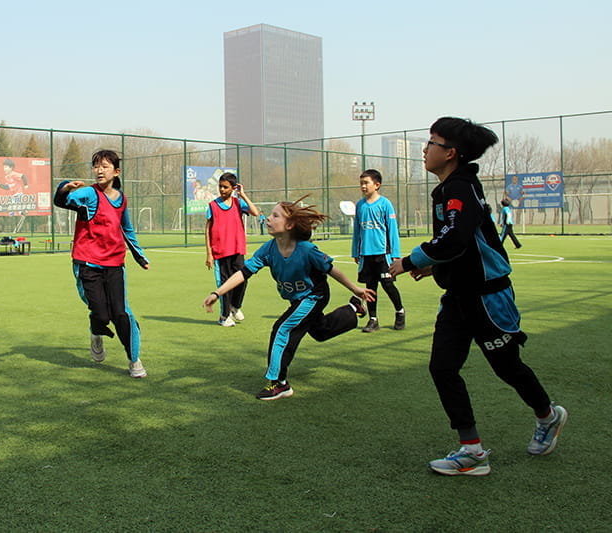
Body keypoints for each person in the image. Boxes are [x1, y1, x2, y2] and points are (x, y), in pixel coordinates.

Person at [388, 117, 567, 476]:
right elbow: (461, 248)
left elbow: (455, 239)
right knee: (442, 367)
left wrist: (409, 262)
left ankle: (548, 416)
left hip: (488, 297)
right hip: (458, 297)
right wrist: (435, 267)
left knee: (507, 367)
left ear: (450, 152)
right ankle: (472, 451)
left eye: (432, 142)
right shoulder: (448, 188)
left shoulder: (460, 187)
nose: (425, 149)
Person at [203, 196, 375, 400]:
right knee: (320, 331)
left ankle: (279, 383)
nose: (268, 218)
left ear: (290, 224)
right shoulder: (268, 249)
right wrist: (217, 293)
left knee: (282, 329)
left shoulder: (307, 250)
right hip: (297, 299)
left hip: (314, 296)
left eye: (275, 216)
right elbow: (243, 273)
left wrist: (356, 288)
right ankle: (353, 309)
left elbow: (332, 270)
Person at [53, 149, 150, 378]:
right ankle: (96, 332)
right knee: (100, 313)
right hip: (87, 263)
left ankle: (134, 360)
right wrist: (66, 186)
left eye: (105, 166)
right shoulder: (87, 194)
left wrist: (139, 255)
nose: (99, 170)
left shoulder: (122, 199)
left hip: (115, 263)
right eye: (96, 166)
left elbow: (126, 228)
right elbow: (61, 201)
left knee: (121, 313)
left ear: (116, 172)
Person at [351, 169, 405, 332]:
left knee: (388, 285)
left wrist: (395, 254)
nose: (363, 186)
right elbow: (357, 232)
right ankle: (373, 319)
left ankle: (400, 312)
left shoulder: (385, 204)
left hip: (383, 254)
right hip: (366, 254)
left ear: (377, 185)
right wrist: (356, 252)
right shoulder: (360, 205)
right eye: (361, 183)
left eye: (366, 182)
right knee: (370, 288)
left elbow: (392, 230)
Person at [204, 172, 259, 327]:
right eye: (220, 186)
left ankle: (235, 307)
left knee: (243, 279)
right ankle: (224, 316)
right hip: (220, 252)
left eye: (225, 187)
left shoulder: (238, 203)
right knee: (225, 284)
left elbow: (255, 212)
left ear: (233, 188)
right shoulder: (213, 206)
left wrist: (243, 195)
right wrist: (209, 254)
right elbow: (207, 230)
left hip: (237, 249)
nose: (222, 189)